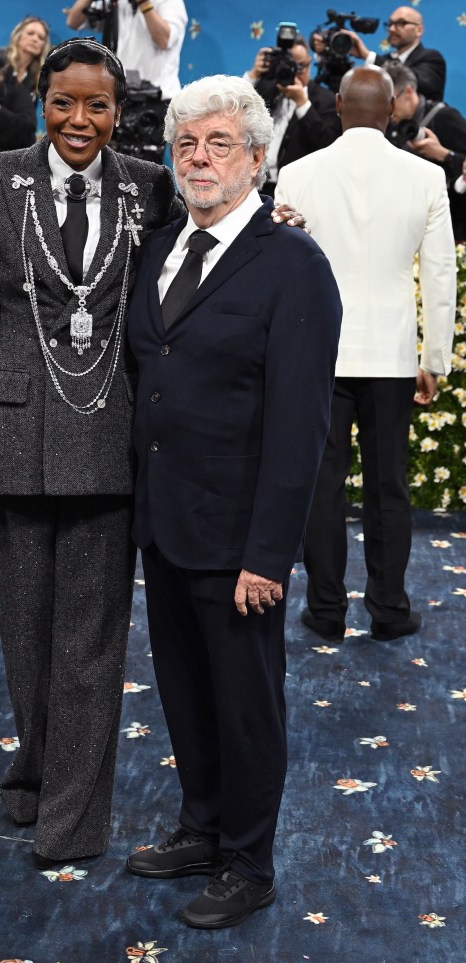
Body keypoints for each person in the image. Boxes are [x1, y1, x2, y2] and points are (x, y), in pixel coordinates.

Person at [0, 36, 304, 869]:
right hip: (14, 434)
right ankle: (34, 769)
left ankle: (73, 819)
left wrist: (278, 217)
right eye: (64, 101)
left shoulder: (148, 186)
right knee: (25, 638)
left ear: (116, 111)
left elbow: (221, 230)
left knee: (91, 645)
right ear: (41, 100)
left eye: (96, 105)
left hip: (111, 441)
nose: (79, 119)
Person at [124, 75, 342, 929]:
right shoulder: (162, 245)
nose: (201, 159)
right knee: (183, 689)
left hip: (239, 536)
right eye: (187, 145)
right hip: (166, 522)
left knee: (248, 705)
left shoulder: (294, 264)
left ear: (258, 159)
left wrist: (268, 551)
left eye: (220, 145)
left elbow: (301, 426)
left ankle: (249, 862)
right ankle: (202, 827)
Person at [276, 65, 456, 644]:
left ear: (338, 111)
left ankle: (326, 610)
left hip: (317, 353)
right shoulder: (425, 176)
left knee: (320, 487)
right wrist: (436, 358)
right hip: (393, 354)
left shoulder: (298, 173)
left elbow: (282, 277)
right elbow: (440, 272)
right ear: (390, 112)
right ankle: (389, 608)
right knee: (389, 488)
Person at [244, 35, 340, 194]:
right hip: (256, 188)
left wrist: (302, 104)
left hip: (298, 192)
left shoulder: (326, 100)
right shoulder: (265, 89)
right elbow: (236, 110)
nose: (293, 71)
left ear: (310, 65)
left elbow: (329, 148)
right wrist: (253, 75)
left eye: (300, 66)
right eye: (288, 65)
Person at [386, 62, 466, 242]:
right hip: (409, 230)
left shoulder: (445, 117)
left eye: (391, 102)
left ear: (408, 92)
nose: (388, 112)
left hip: (451, 230)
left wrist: (444, 155)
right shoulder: (389, 127)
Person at [66, 0, 187, 101]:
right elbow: (74, 21)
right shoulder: (115, 2)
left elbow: (164, 40)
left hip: (159, 98)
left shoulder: (171, 2)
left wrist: (144, 4)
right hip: (122, 97)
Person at [342, 5, 446, 101]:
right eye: (390, 24)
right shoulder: (385, 60)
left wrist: (368, 56)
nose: (391, 29)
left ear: (419, 30)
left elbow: (413, 81)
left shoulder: (432, 58)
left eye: (401, 23)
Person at [6, 15, 49, 102]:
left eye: (41, 38)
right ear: (18, 36)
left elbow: (27, 115)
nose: (35, 39)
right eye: (30, 33)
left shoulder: (35, 80)